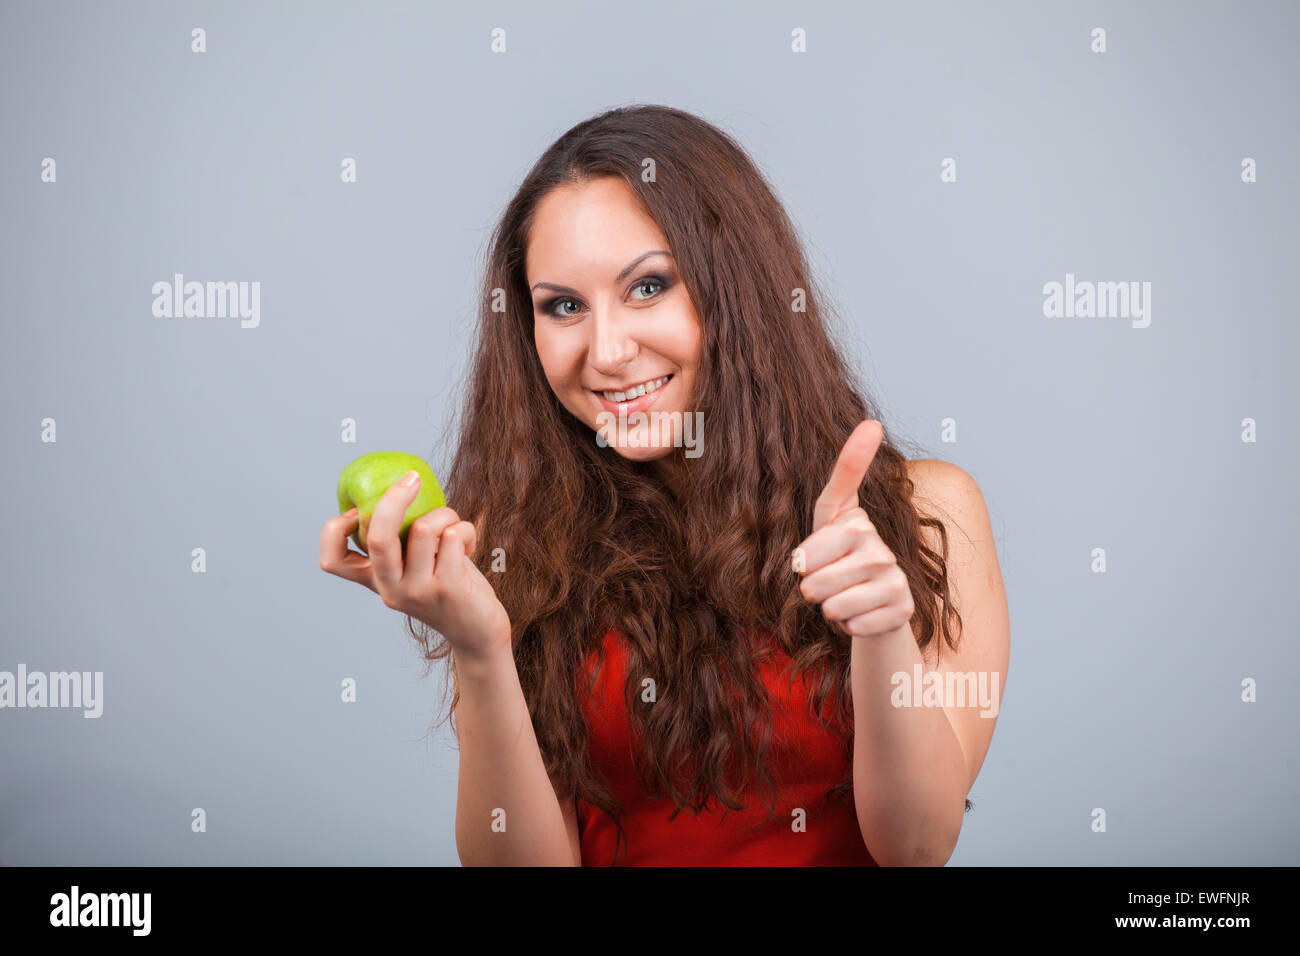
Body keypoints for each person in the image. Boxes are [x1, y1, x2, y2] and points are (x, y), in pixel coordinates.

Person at [319, 104, 1010, 866]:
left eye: (648, 288)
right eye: (564, 306)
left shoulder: (928, 512)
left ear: (737, 292)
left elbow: (916, 846)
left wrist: (880, 632)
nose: (608, 350)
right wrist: (482, 651)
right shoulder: (509, 536)